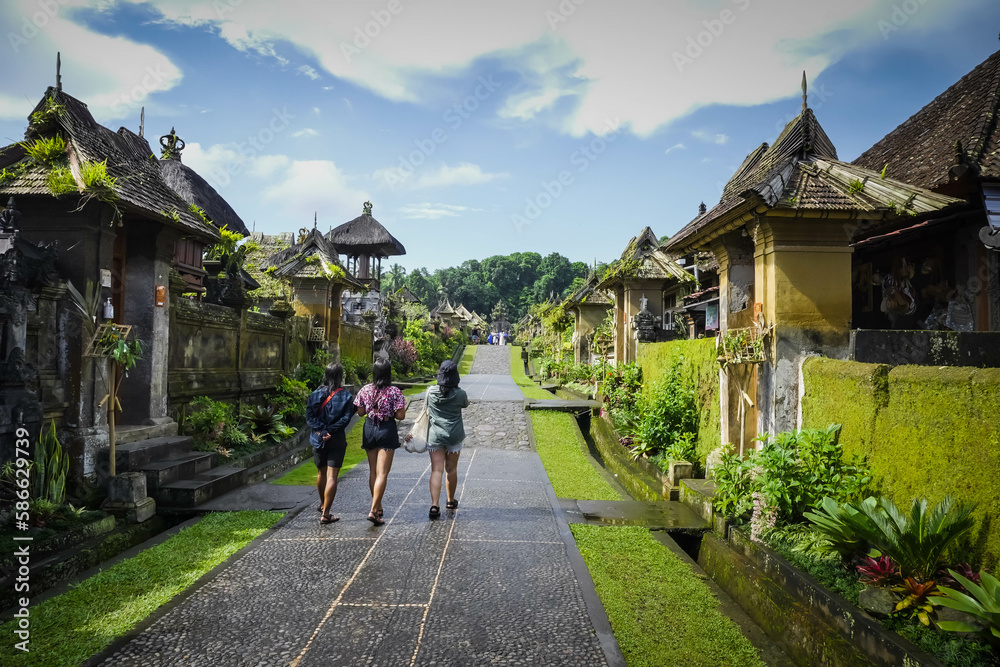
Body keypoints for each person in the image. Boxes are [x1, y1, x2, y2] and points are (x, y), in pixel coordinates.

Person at [354, 358, 406, 525]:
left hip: (369, 428)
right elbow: (401, 415)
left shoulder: (365, 389)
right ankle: (373, 510)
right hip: (386, 428)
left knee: (373, 472)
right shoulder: (394, 391)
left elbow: (360, 412)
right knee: (382, 473)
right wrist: (389, 412)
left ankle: (378, 506)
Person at [305, 363, 356, 524]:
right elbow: (346, 419)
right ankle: (326, 513)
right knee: (332, 476)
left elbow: (309, 417)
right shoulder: (346, 396)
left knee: (321, 473)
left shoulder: (315, 394)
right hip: (336, 439)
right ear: (340, 376)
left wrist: (322, 431)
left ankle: (322, 504)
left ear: (326, 375)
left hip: (319, 439)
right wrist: (330, 431)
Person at [424, 360, 470, 519]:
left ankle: (434, 505)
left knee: (436, 470)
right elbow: (465, 404)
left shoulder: (431, 392)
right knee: (452, 469)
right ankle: (450, 500)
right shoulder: (460, 394)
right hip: (454, 435)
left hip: (435, 435)